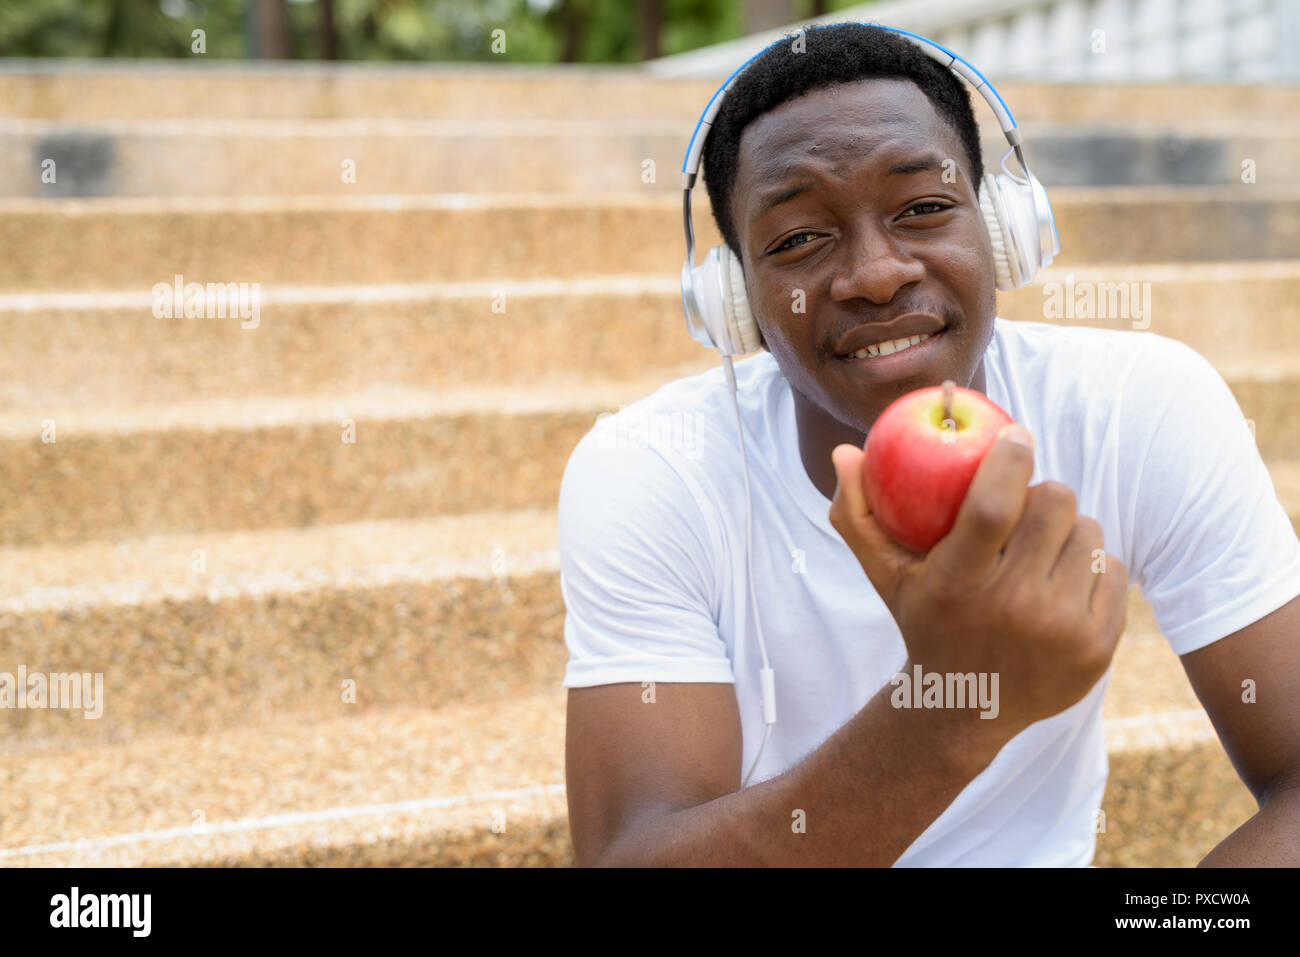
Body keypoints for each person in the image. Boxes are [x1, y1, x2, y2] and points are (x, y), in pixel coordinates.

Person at [558, 23, 1300, 866]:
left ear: (1003, 230)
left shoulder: (1139, 404)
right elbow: (630, 853)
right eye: (799, 238)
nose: (876, 273)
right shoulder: (651, 470)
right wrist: (952, 709)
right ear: (736, 306)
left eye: (923, 208)